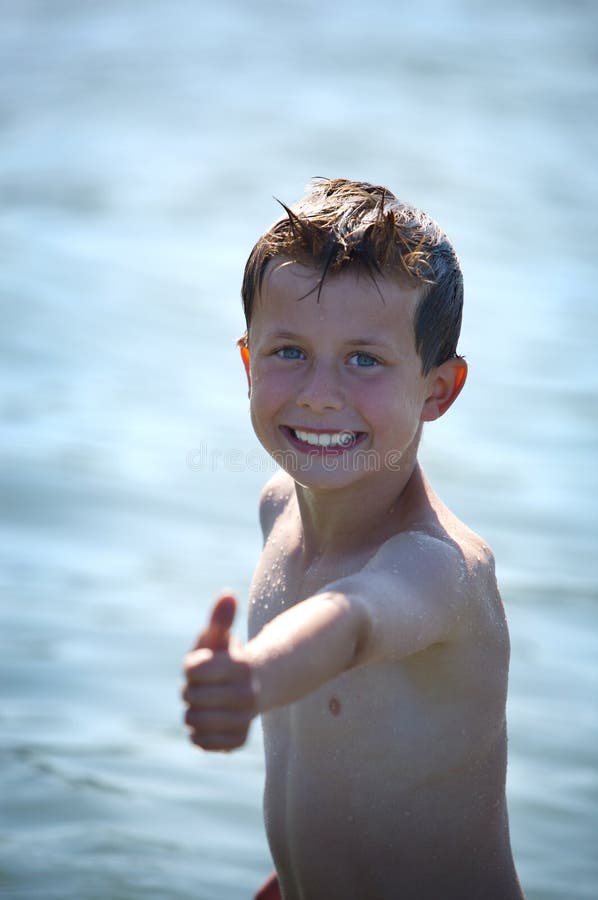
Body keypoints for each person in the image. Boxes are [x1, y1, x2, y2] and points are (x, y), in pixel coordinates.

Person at [182, 178, 524, 899]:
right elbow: (350, 770)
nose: (319, 393)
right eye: (289, 352)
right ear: (247, 365)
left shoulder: (438, 571)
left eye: (364, 359)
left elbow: (351, 621)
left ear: (439, 391)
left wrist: (253, 680)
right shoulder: (279, 510)